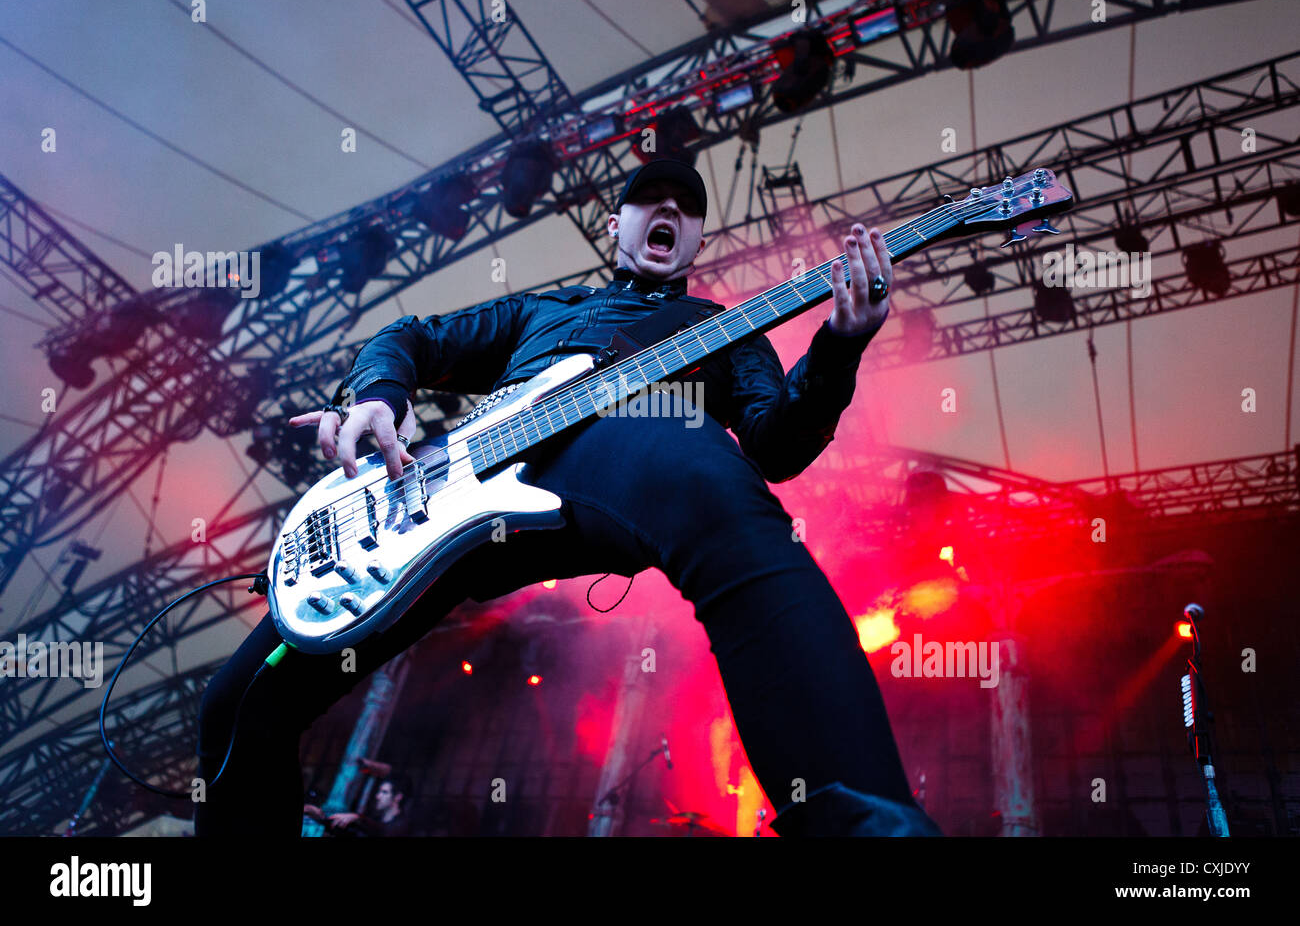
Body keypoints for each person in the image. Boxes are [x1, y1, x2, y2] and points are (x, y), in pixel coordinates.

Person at [195, 157, 942, 837]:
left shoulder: (718, 329)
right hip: (451, 494)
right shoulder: (540, 314)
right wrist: (382, 396)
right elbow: (411, 336)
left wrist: (839, 346)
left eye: (686, 208)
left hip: (626, 444)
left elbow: (776, 444)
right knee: (239, 705)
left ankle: (863, 813)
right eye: (650, 200)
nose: (668, 213)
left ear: (696, 239)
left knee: (706, 474)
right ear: (615, 225)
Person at [304, 777, 413, 836]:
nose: (378, 796)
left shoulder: (402, 824)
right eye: (379, 792)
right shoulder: (375, 818)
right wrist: (318, 815)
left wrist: (358, 818)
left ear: (397, 797)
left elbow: (384, 831)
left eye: (384, 792)